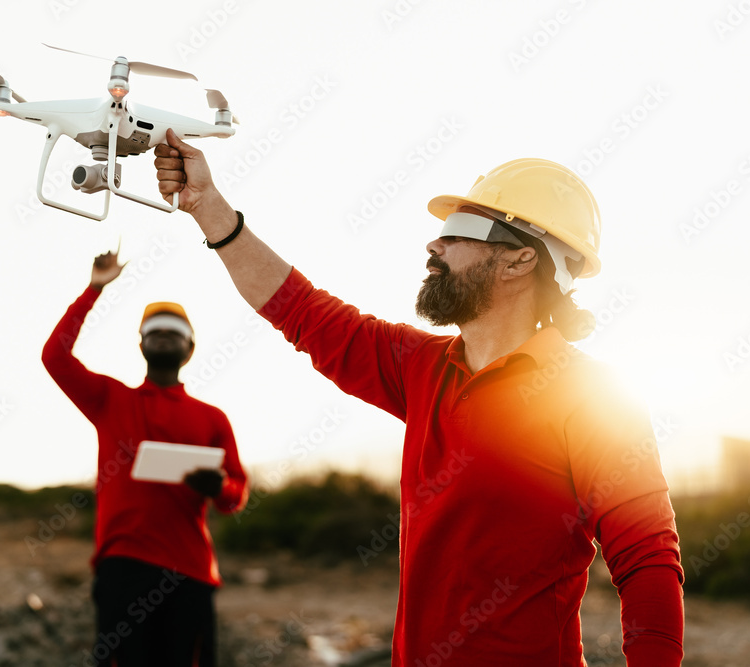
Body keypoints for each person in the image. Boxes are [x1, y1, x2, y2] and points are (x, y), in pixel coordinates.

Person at [152, 129, 684, 666]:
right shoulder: (420, 366)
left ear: (521, 260)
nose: (435, 245)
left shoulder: (593, 399)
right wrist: (208, 206)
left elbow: (647, 561)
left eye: (461, 231)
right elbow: (300, 309)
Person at [42, 248, 248, 666]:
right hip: (123, 566)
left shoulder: (212, 418)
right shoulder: (110, 400)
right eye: (154, 329)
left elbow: (235, 495)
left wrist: (218, 487)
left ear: (190, 348)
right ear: (141, 344)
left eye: (175, 330)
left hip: (190, 572)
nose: (164, 333)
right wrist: (94, 288)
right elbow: (55, 357)